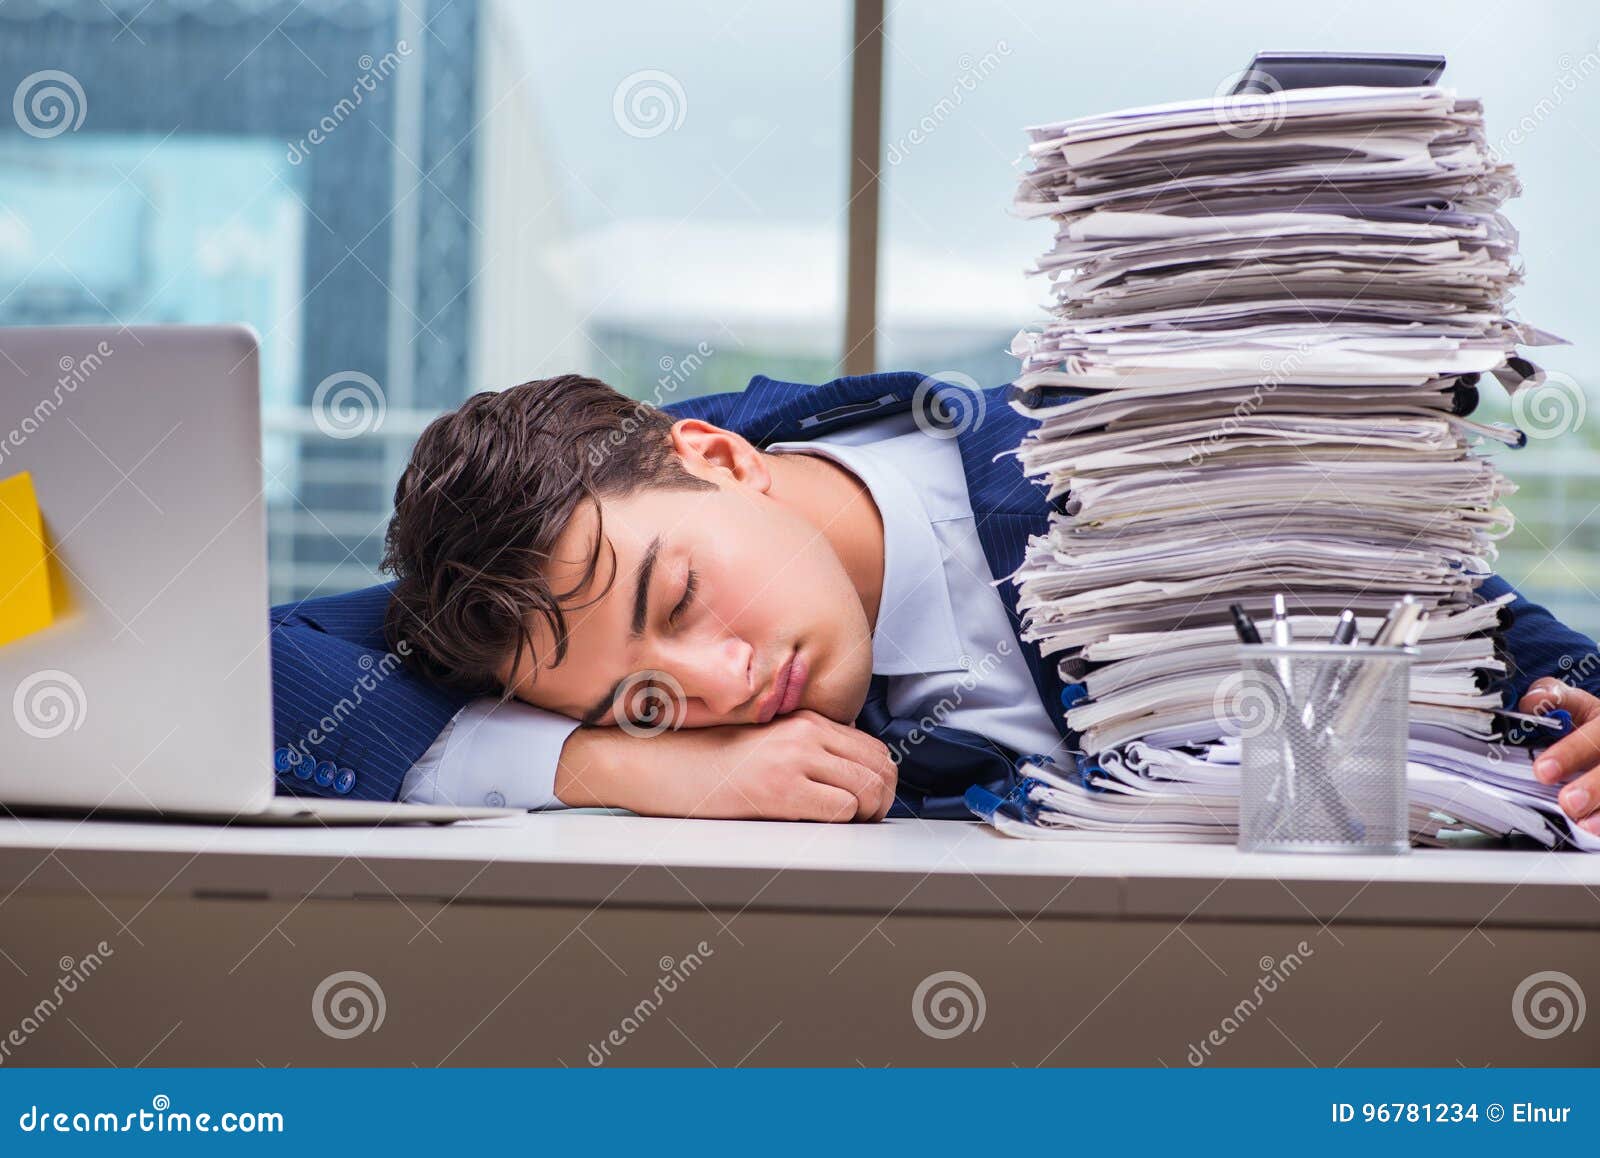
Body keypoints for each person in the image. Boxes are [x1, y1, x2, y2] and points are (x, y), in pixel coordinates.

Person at [267, 370, 1600, 832]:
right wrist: (621, 763)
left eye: (682, 600)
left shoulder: (1089, 461)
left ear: (719, 455)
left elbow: (1474, 621)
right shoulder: (552, 594)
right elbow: (260, 665)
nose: (720, 685)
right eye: (650, 695)